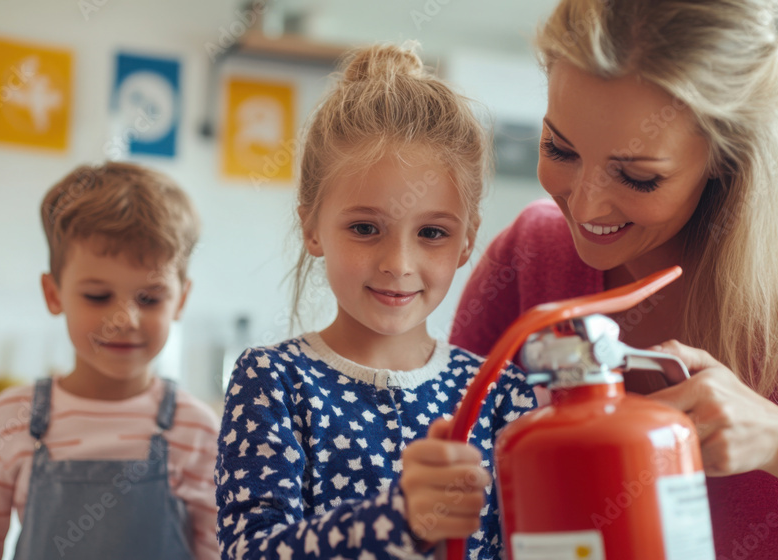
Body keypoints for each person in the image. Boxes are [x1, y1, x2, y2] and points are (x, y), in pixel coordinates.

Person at [449, 0, 778, 557]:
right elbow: (450, 476)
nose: (585, 206)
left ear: (727, 153)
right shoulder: (528, 257)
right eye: (559, 150)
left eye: (637, 176)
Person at [215, 42, 538, 559]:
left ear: (467, 241)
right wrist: (398, 522)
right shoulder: (273, 382)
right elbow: (250, 551)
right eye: (366, 228)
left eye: (432, 233)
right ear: (312, 227)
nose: (398, 263)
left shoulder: (502, 394)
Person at [0, 162, 220, 560]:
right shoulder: (12, 417)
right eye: (97, 296)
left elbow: (218, 550)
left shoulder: (197, 428)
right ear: (53, 294)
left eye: (150, 298)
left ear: (181, 300)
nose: (125, 320)